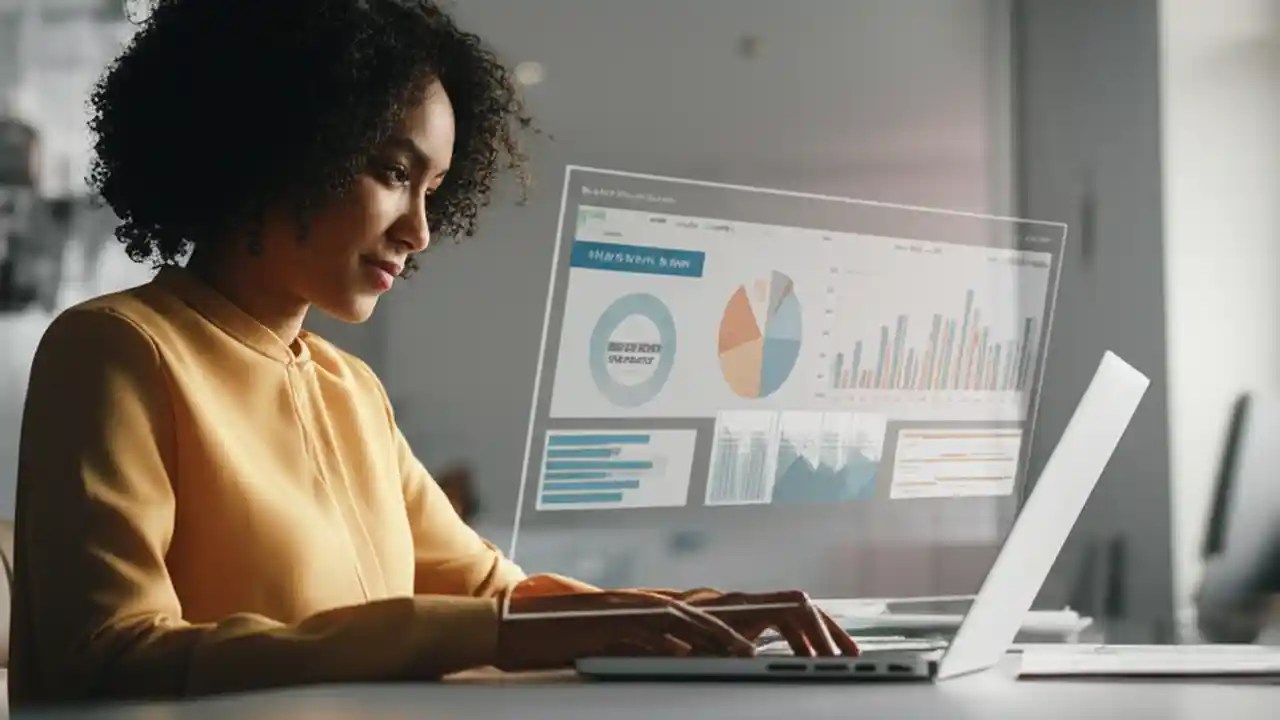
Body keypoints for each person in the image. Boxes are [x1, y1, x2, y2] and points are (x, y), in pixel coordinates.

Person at [8, 0, 857, 706]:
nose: (418, 231)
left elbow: (491, 595)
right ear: (275, 147)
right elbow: (112, 656)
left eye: (434, 191)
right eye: (391, 172)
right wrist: (492, 632)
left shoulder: (349, 386)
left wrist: (700, 613)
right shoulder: (117, 350)